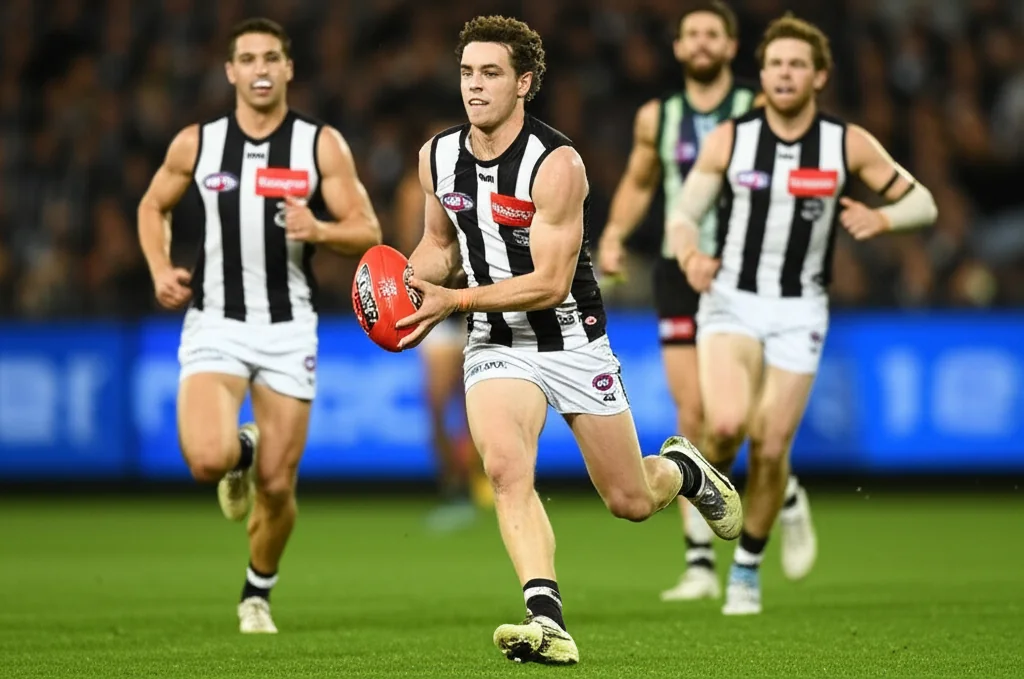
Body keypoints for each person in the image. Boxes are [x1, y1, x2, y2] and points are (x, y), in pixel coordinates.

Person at [393, 15, 742, 665]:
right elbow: (439, 246)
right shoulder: (436, 156)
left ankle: (684, 471)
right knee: (504, 468)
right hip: (496, 341)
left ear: (524, 83)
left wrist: (453, 300)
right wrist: (405, 288)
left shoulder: (556, 164)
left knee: (630, 501)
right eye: (467, 72)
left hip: (571, 340)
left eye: (491, 73)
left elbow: (551, 283)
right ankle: (547, 619)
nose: (475, 85)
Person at [668, 13, 938, 616]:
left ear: (819, 76)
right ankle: (782, 494)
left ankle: (746, 569)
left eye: (797, 64)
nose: (784, 73)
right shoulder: (731, 139)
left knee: (769, 444)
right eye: (775, 64)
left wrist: (884, 217)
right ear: (762, 75)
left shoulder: (847, 143)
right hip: (731, 299)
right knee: (726, 427)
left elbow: (923, 202)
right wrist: (689, 254)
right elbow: (684, 213)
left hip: (799, 308)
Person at [136, 18, 381, 633]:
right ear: (231, 71)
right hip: (216, 321)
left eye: (271, 57)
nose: (260, 69)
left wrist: (319, 229)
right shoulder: (198, 143)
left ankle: (256, 592)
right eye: (247, 59)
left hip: (288, 327)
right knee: (206, 459)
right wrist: (160, 267)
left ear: (289, 68)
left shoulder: (320, 144)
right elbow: (152, 205)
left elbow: (368, 231)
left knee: (276, 484)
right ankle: (239, 448)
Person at [600, 0, 816, 603]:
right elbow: (640, 181)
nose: (699, 43)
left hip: (747, 274)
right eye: (690, 34)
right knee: (694, 415)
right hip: (679, 271)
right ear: (677, 47)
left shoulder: (758, 107)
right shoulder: (658, 117)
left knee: (743, 421)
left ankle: (784, 490)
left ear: (730, 46)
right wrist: (614, 234)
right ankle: (698, 563)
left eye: (711, 34)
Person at [393, 123, 493, 531]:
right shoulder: (410, 192)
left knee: (475, 405)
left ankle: (478, 482)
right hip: (436, 311)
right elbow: (412, 248)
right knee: (436, 403)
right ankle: (452, 484)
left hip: (474, 307)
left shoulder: (481, 181)